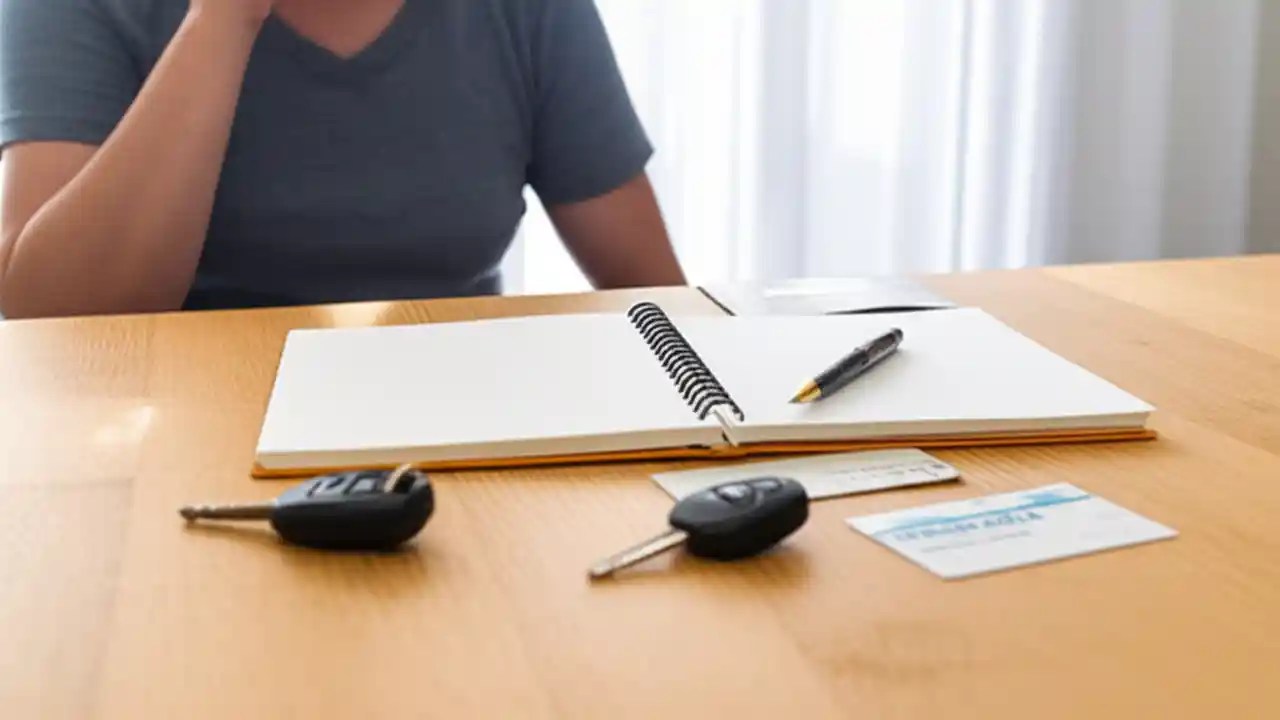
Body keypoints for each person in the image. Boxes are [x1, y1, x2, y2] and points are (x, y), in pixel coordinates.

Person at [0, 0, 686, 318]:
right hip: (170, 439)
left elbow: (654, 294)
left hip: (449, 441)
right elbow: (53, 319)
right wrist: (223, 18)